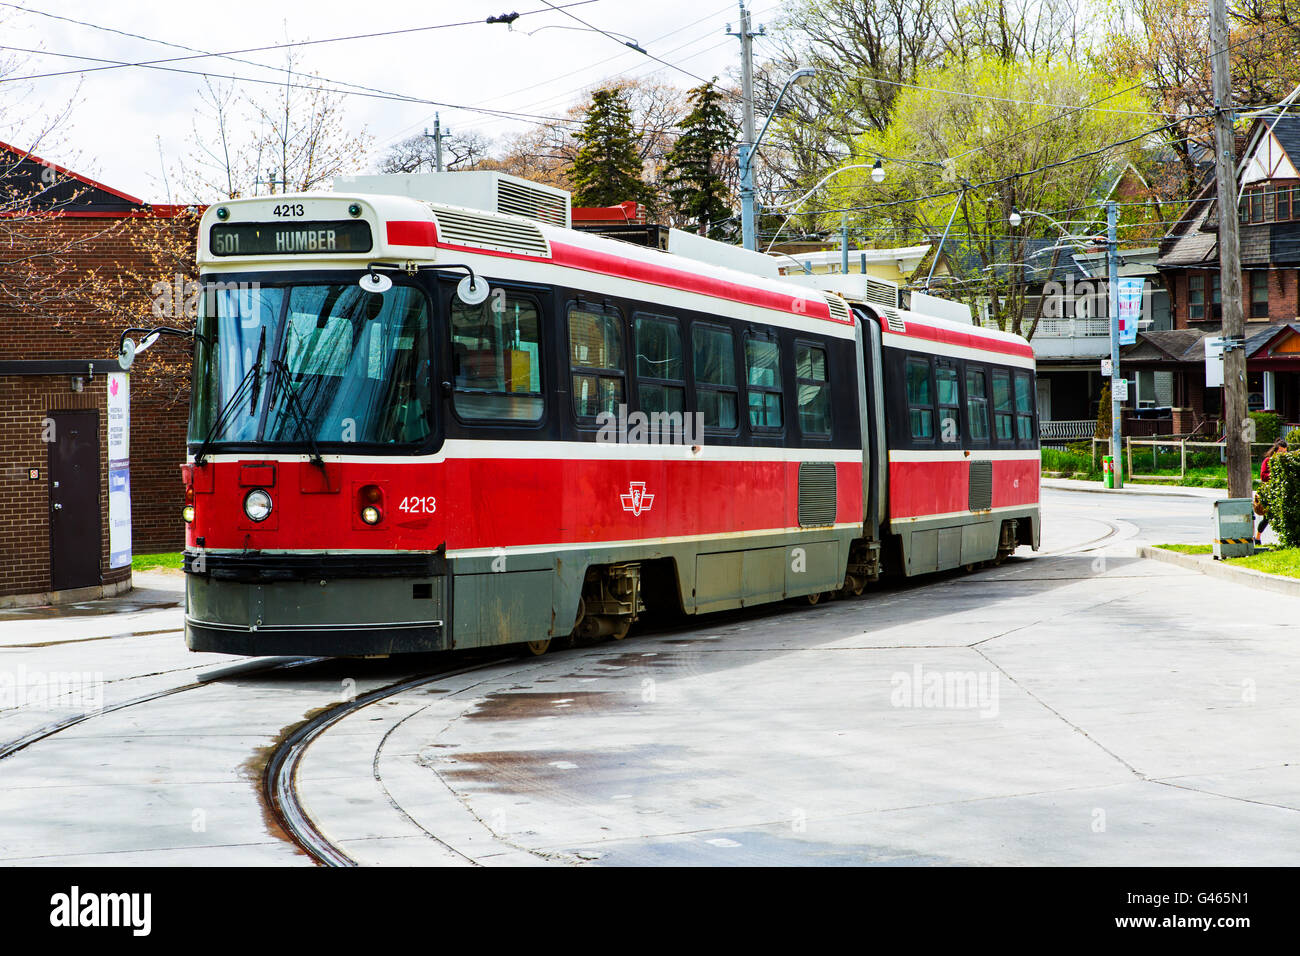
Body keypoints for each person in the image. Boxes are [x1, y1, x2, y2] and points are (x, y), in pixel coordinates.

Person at [1257, 439, 1288, 544]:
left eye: (1284, 452)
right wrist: (1274, 476)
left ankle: (1284, 539)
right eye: (1280, 451)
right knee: (1267, 517)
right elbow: (1263, 476)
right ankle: (1257, 537)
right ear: (1275, 451)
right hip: (1270, 492)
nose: (1282, 454)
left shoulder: (1287, 462)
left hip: (1283, 492)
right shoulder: (1268, 461)